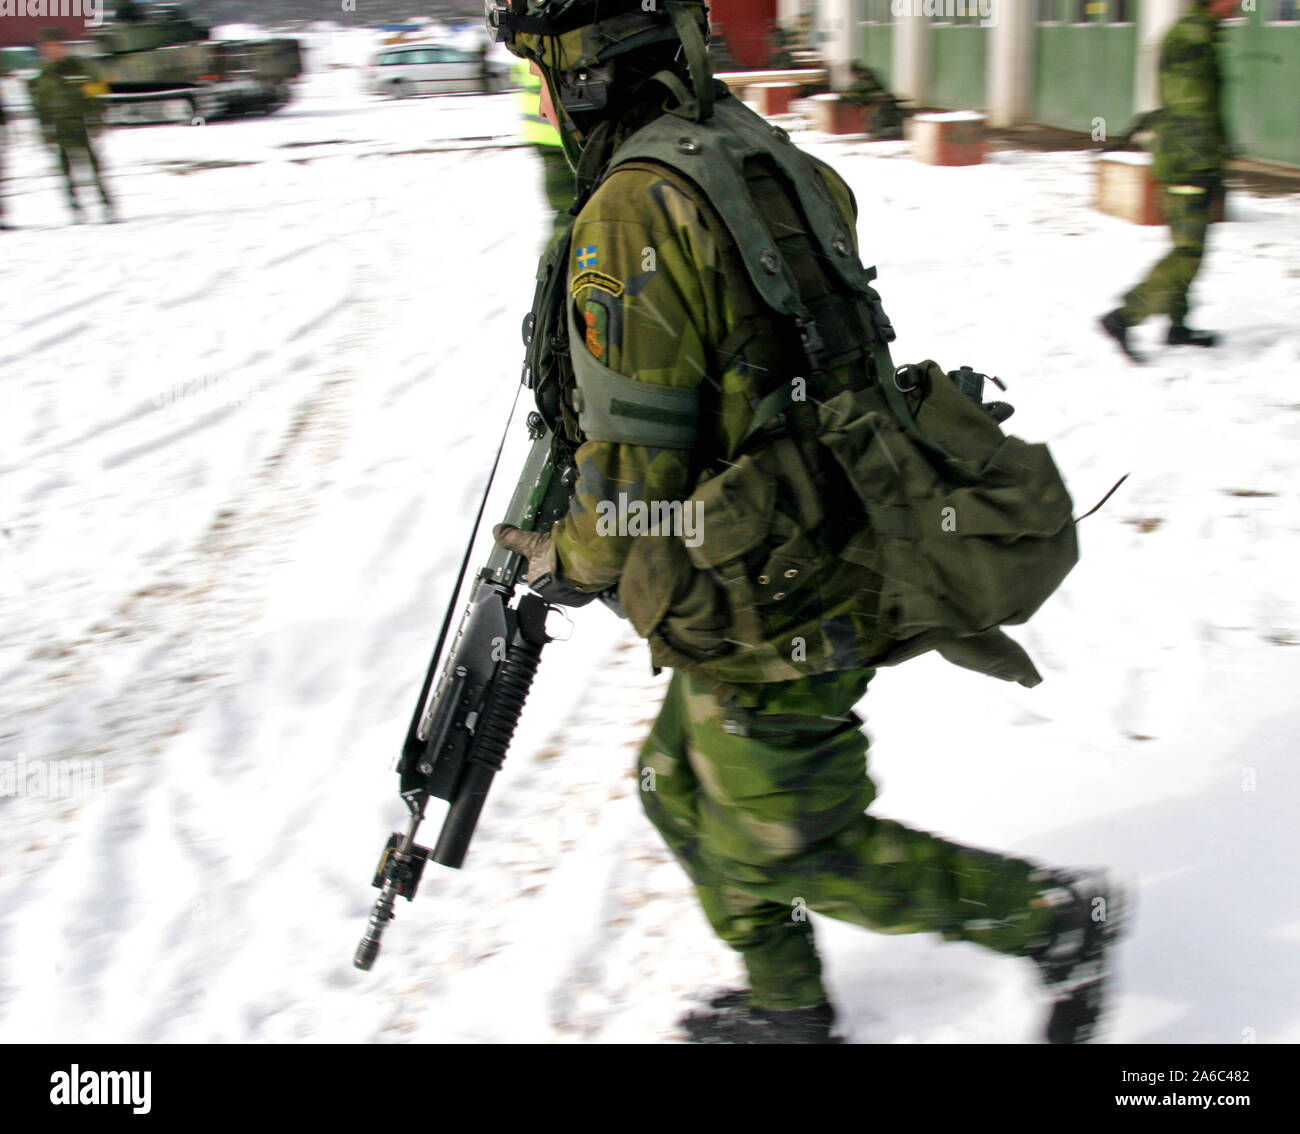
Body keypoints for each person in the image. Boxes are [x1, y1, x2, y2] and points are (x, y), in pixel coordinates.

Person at [486, 0, 1126, 1044]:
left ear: (579, 76)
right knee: (673, 787)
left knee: (794, 846)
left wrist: (564, 556)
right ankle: (788, 1008)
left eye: (539, 75)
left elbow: (626, 496)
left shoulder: (634, 211)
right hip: (816, 537)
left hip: (777, 603)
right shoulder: (752, 148)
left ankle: (1053, 919)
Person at [1100, 0, 1237, 363]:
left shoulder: (1198, 33)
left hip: (1187, 157)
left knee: (1188, 246)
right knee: (1187, 252)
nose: (1237, 4)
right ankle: (1124, 316)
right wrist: (1207, 161)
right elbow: (1193, 109)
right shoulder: (1193, 37)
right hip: (1188, 161)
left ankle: (1178, 326)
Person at [29, 28, 116, 224]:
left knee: (94, 169)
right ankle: (76, 209)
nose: (52, 51)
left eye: (55, 47)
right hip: (60, 129)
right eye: (47, 48)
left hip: (81, 125)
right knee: (65, 173)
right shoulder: (42, 74)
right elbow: (39, 106)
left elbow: (97, 93)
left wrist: (98, 119)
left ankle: (106, 205)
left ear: (62, 47)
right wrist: (44, 130)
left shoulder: (78, 68)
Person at [513, 55, 573, 248]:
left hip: (542, 139)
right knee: (569, 213)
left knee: (565, 210)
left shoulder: (528, 59)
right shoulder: (553, 57)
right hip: (559, 139)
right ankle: (555, 267)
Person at [842, 62, 904, 140]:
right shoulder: (865, 76)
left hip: (877, 100)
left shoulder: (863, 77)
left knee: (874, 114)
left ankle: (877, 130)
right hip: (877, 99)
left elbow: (861, 88)